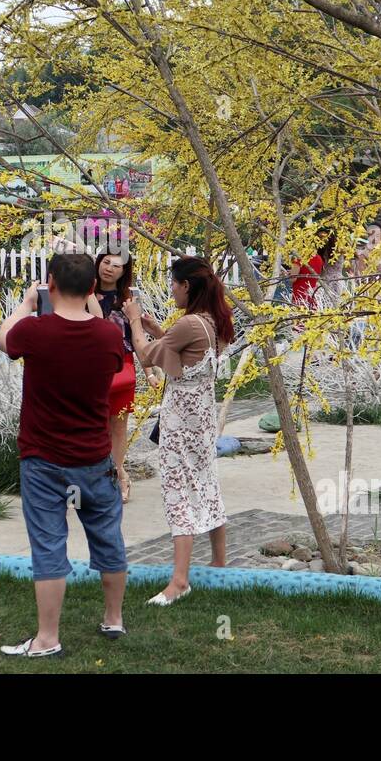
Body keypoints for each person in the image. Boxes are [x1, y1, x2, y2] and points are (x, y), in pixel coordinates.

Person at [0, 253, 128, 657]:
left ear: (49, 283)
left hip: (44, 460)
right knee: (108, 538)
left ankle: (48, 637)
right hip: (94, 459)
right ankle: (113, 618)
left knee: (49, 545)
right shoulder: (108, 337)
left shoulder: (35, 332)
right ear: (93, 288)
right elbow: (100, 329)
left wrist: (26, 304)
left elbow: (5, 339)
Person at [123, 257, 234, 605]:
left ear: (187, 285)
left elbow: (145, 356)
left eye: (174, 282)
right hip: (202, 423)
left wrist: (134, 323)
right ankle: (218, 563)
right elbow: (183, 355)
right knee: (206, 483)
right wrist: (159, 331)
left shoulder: (188, 323)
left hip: (180, 425)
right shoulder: (211, 322)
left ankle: (180, 580)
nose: (171, 288)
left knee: (178, 493)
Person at [92, 252, 137, 502]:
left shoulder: (127, 300)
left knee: (118, 423)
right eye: (106, 262)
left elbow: (136, 336)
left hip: (122, 365)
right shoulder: (83, 294)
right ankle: (96, 475)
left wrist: (151, 371)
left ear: (124, 272)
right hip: (92, 365)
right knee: (95, 423)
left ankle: (119, 472)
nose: (109, 268)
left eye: (116, 266)